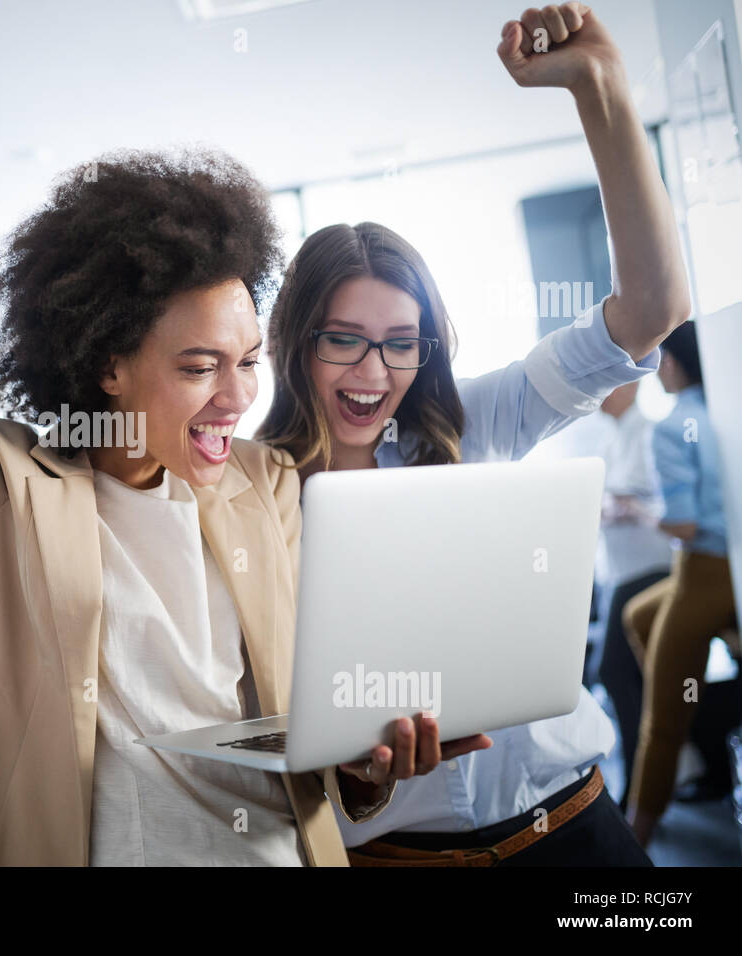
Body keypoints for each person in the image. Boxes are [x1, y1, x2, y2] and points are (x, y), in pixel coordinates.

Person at [0, 41, 488, 866]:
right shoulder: (3, 489)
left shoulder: (264, 486)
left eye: (246, 364)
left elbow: (307, 730)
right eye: (199, 367)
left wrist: (367, 767)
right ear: (107, 364)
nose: (236, 400)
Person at [257, 3, 689, 865]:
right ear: (293, 339)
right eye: (344, 339)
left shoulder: (473, 422)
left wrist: (600, 89)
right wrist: (361, 774)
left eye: (402, 343)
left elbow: (651, 310)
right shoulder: (243, 496)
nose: (375, 373)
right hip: (397, 856)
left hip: (571, 830)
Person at [622, 321, 735, 847]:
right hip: (730, 566)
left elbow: (684, 525)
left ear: (672, 362)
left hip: (704, 572)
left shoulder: (671, 426)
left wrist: (639, 512)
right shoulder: (725, 410)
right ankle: (692, 710)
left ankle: (634, 841)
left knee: (658, 721)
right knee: (637, 615)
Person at [591, 381, 673, 812]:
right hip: (619, 571)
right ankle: (655, 778)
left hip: (649, 569)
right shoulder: (612, 436)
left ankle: (642, 789)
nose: (600, 394)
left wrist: (619, 504)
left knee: (614, 670)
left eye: (610, 385)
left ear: (634, 386)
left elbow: (652, 502)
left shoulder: (650, 432)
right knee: (634, 674)